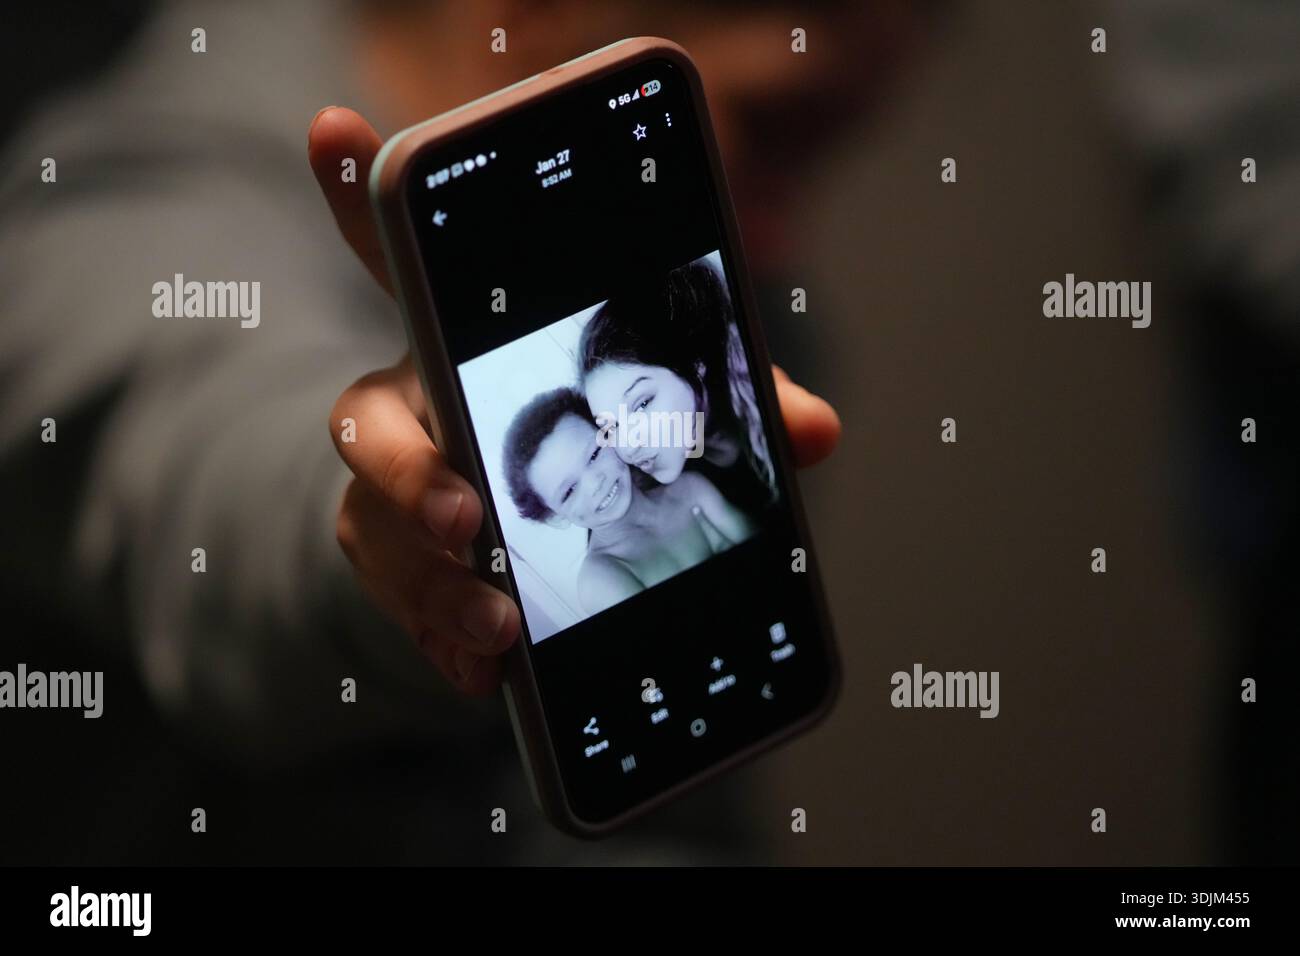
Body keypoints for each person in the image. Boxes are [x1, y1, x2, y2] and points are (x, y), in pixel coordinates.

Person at [503, 387, 753, 614]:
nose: (595, 483)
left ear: (612, 436)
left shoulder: (688, 488)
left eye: (594, 453)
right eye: (569, 491)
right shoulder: (599, 579)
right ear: (555, 516)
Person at [580, 260, 777, 515]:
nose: (629, 447)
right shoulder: (659, 488)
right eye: (610, 427)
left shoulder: (765, 407)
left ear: (695, 363)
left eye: (641, 404)